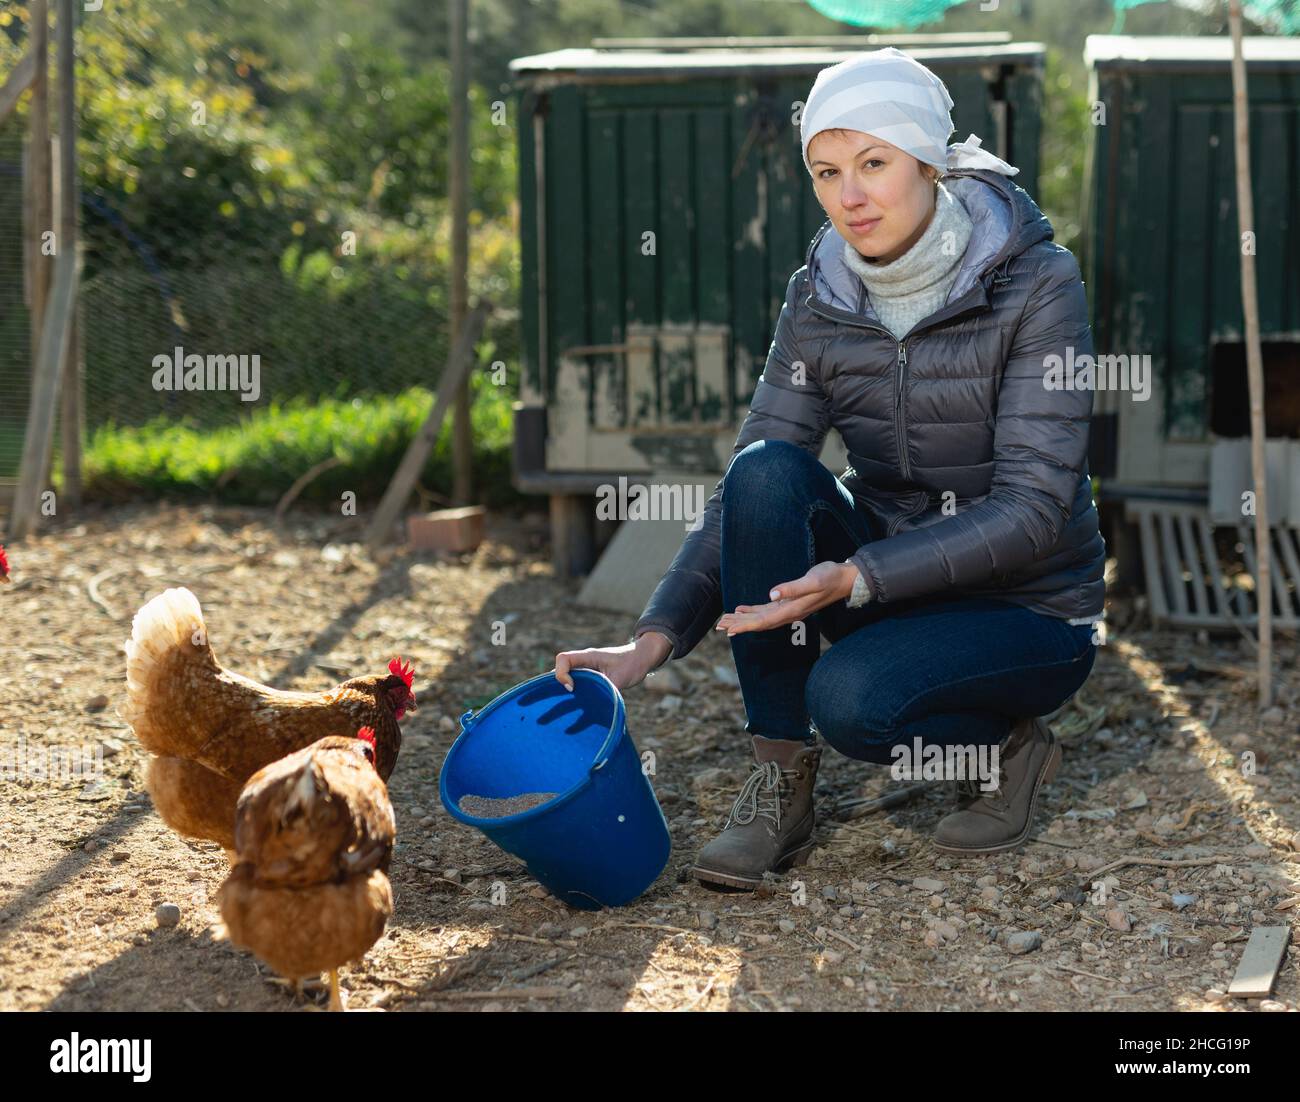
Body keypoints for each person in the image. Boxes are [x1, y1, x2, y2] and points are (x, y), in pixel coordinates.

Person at [554, 47, 1105, 890]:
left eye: (874, 164)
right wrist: (651, 639)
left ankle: (1009, 745)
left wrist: (857, 576)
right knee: (768, 470)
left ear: (928, 162)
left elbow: (1033, 509)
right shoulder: (820, 295)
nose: (850, 196)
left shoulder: (1037, 284)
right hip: (885, 581)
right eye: (826, 171)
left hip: (1026, 606)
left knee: (852, 703)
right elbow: (752, 485)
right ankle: (780, 779)